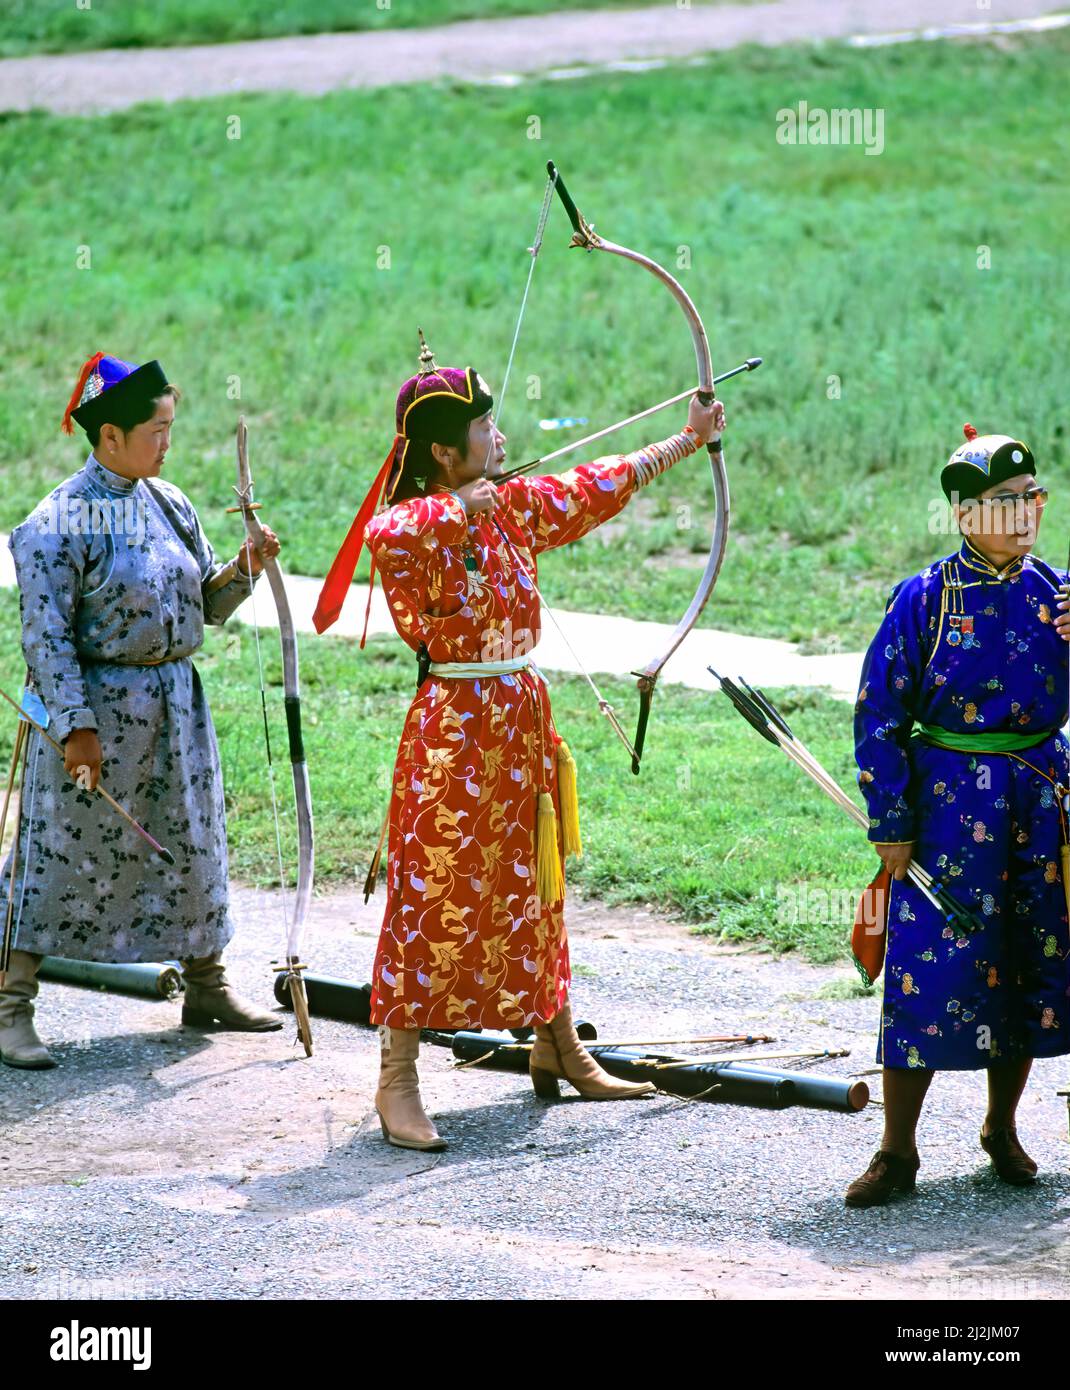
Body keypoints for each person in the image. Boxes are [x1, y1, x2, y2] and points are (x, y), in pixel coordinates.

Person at [314, 336, 725, 1150]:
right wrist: (459, 507)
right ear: (444, 451)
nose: (499, 439)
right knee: (434, 891)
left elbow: (591, 486)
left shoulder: (513, 504)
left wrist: (687, 440)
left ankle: (559, 1046)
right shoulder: (421, 523)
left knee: (536, 882)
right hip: (453, 728)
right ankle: (398, 1079)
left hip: (521, 719)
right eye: (485, 429)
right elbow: (386, 534)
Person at [0, 352, 283, 1070]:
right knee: (56, 857)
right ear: (110, 438)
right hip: (93, 719)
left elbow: (205, 607)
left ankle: (208, 986)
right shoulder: (56, 522)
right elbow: (47, 639)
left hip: (174, 711)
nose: (168, 442)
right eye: (156, 430)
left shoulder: (170, 501)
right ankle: (10, 1004)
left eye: (170, 427)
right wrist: (77, 731)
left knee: (190, 843)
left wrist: (246, 568)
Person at [847, 424, 1070, 1206]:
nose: (1024, 513)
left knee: (1025, 965)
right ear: (965, 513)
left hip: (1040, 801)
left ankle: (1001, 1128)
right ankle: (897, 1151)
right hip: (947, 811)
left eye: (1031, 497)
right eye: (1004, 502)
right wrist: (892, 822)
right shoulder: (925, 599)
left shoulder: (1060, 595)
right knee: (927, 973)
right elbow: (878, 712)